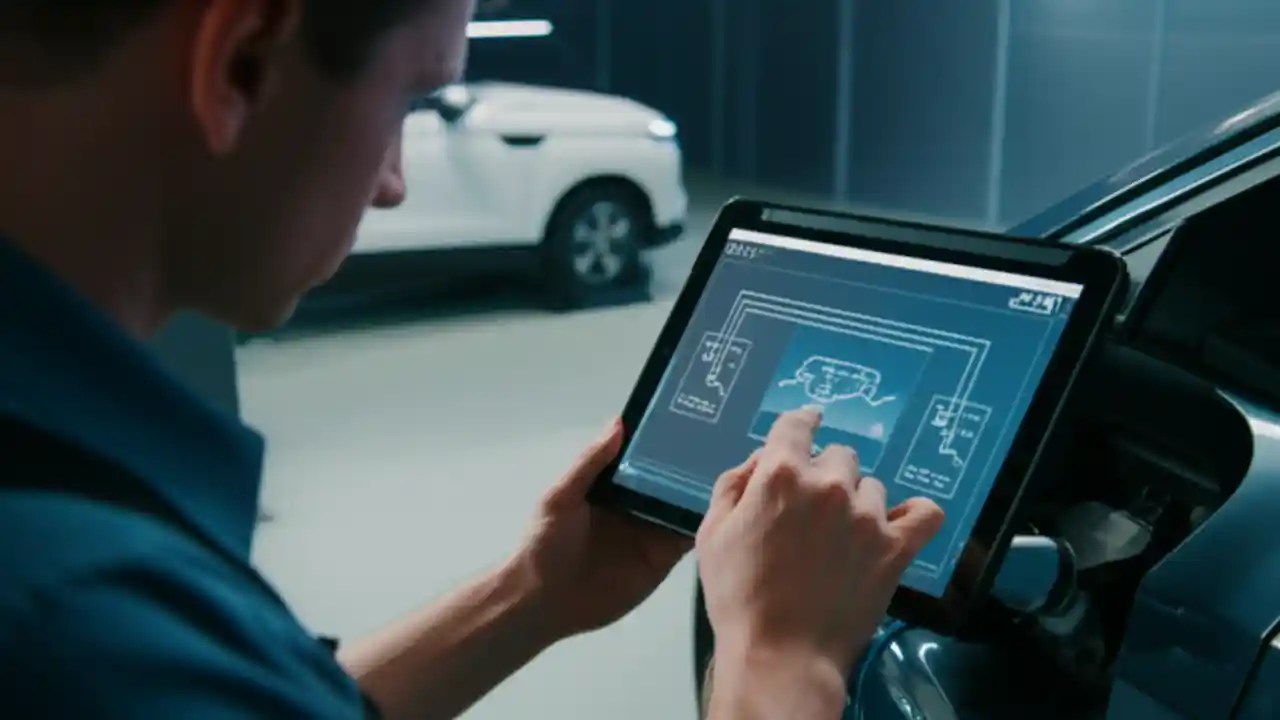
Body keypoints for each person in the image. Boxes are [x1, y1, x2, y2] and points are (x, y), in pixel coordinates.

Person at [0, 1, 945, 718]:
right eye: (411, 96)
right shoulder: (69, 609)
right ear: (238, 62)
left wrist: (533, 595)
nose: (394, 184)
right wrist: (784, 661)